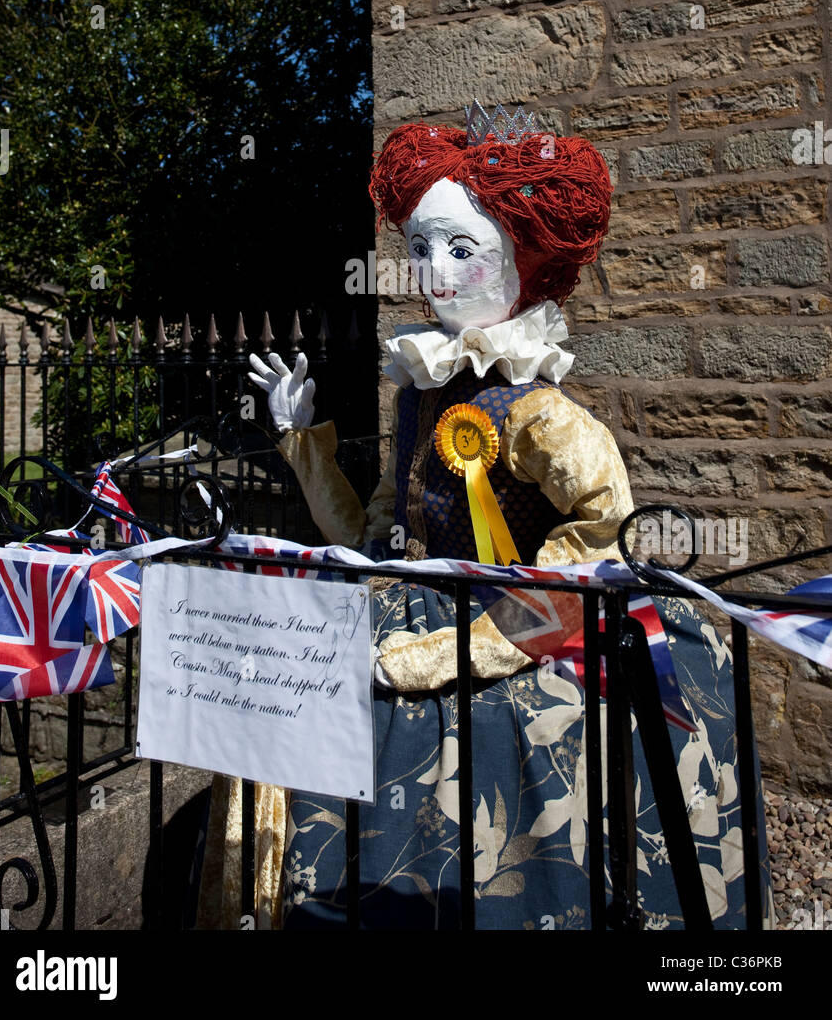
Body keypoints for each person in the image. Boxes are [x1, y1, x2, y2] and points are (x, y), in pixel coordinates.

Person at [239, 109, 765, 931]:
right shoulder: (418, 394)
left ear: (521, 259)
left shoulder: (541, 415)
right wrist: (301, 440)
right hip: (416, 605)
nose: (435, 273)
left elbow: (600, 540)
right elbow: (372, 541)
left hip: (520, 629)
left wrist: (465, 648)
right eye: (419, 249)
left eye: (460, 249)